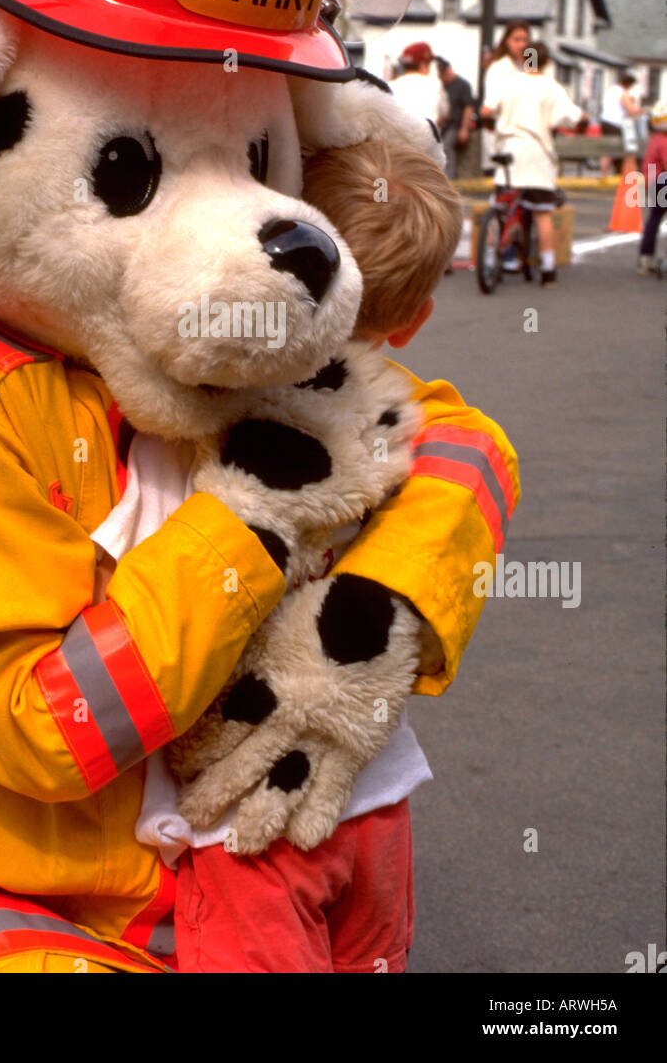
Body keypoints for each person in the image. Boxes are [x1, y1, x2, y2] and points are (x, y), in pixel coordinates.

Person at [93, 134, 518, 973]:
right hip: (377, 794)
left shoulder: (189, 434)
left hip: (242, 822)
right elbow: (473, 451)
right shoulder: (415, 430)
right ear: (415, 318)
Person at [491, 39, 584, 288]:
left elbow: (489, 109)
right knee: (542, 214)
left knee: (501, 208)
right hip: (538, 155)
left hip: (509, 151)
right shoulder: (552, 87)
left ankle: (494, 258)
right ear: (547, 62)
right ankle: (548, 269)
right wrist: (581, 119)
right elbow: (570, 117)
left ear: (523, 58)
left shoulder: (509, 83)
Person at [479, 21, 532, 173]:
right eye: (517, 40)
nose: (521, 45)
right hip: (501, 134)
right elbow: (489, 107)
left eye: (525, 40)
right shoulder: (500, 67)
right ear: (506, 41)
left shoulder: (525, 65)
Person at [637, 103, 667, 274]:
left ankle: (645, 257)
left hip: (652, 183)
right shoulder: (664, 141)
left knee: (654, 219)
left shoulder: (655, 138)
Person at [391, 41, 450, 128]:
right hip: (427, 139)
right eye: (429, 63)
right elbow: (445, 112)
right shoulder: (435, 84)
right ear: (423, 65)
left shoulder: (391, 86)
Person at [436, 56, 476, 178]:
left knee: (447, 146)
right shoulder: (440, 86)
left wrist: (464, 129)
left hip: (456, 125)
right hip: (442, 124)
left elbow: (468, 107)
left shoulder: (462, 85)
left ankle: (449, 178)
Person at [601, 72, 645, 176]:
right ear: (629, 84)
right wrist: (641, 110)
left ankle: (603, 175)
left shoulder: (612, 90)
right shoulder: (622, 93)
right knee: (625, 150)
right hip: (615, 124)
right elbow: (632, 110)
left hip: (605, 122)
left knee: (607, 150)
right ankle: (623, 173)